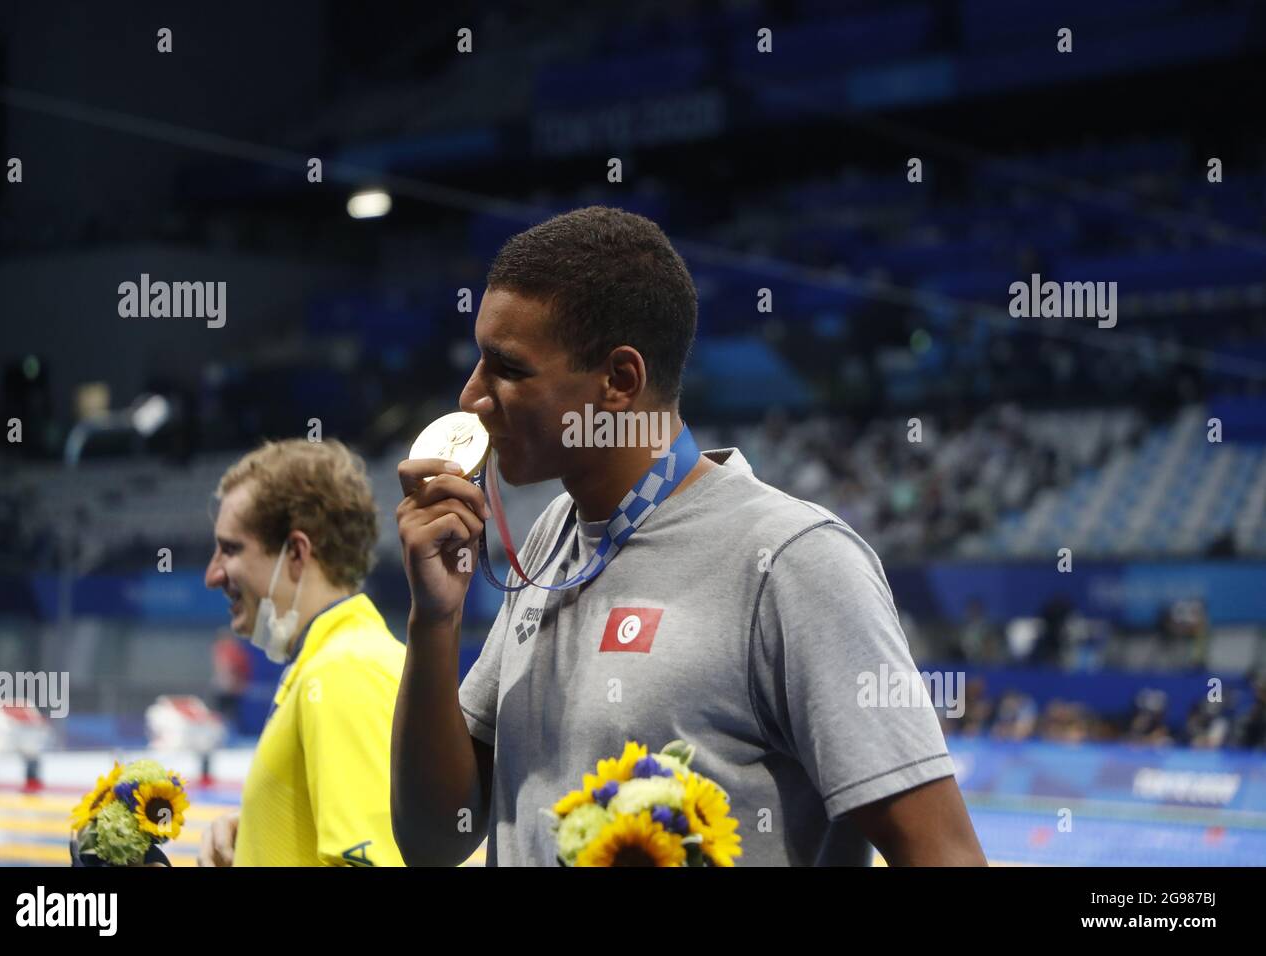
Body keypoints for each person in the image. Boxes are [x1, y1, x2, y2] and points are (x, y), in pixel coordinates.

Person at [391, 206, 986, 866]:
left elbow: (945, 855)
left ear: (619, 382)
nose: (472, 396)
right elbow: (434, 839)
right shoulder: (549, 544)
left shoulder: (794, 563)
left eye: (508, 368)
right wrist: (433, 622)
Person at [199, 439, 405, 866]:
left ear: (296, 553)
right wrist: (258, 831)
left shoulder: (344, 671)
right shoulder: (331, 660)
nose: (212, 574)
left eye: (231, 549)